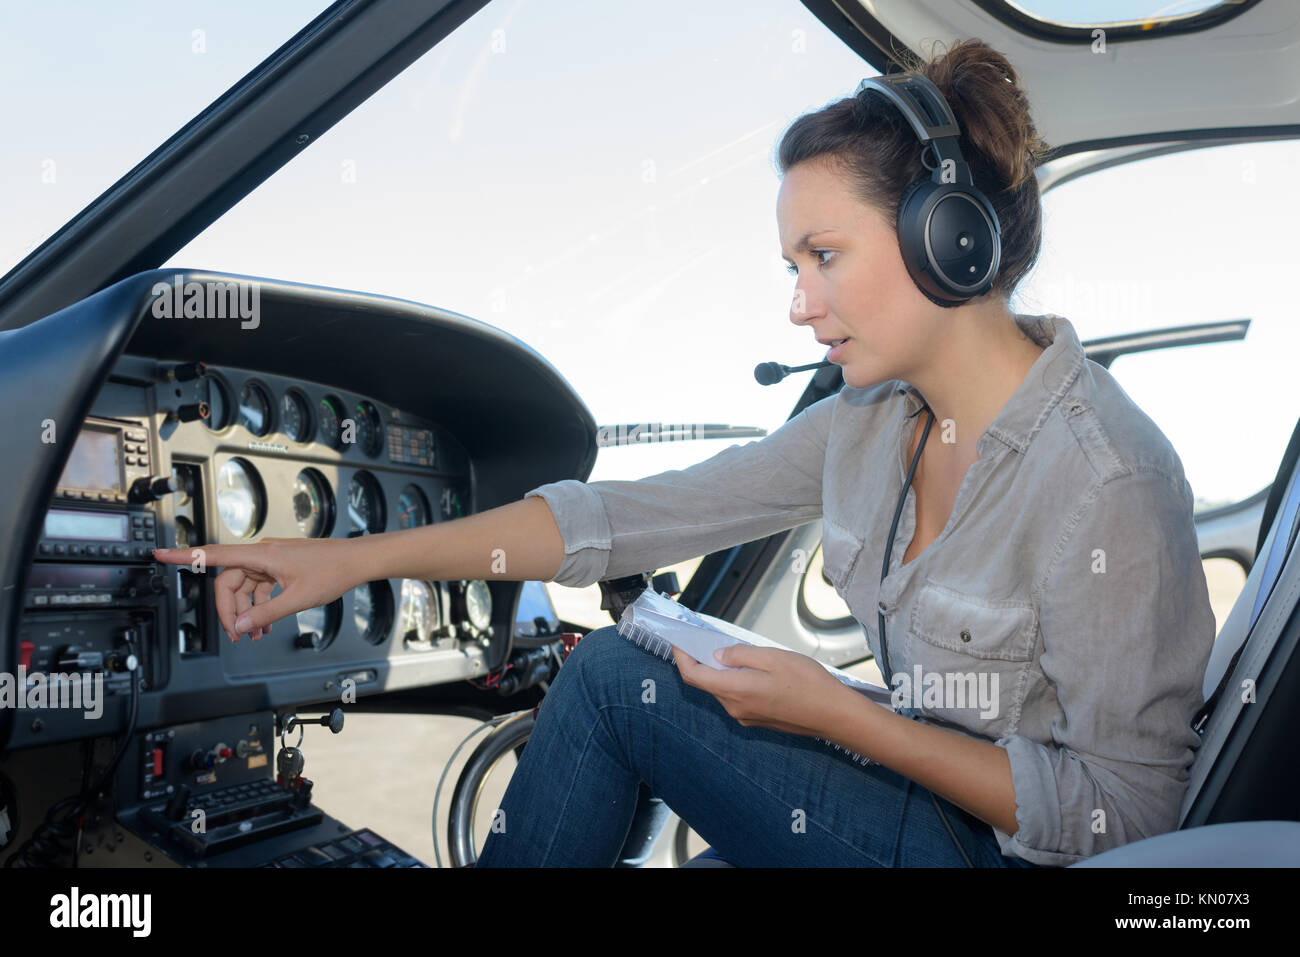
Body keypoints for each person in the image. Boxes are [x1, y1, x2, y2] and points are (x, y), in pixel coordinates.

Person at [155, 38, 1216, 868]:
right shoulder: (864, 425)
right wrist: (345, 561)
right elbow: (626, 519)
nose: (800, 304)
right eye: (792, 263)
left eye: (824, 255)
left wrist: (843, 715)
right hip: (919, 811)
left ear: (950, 237)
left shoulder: (1104, 477)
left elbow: (1129, 823)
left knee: (619, 680)